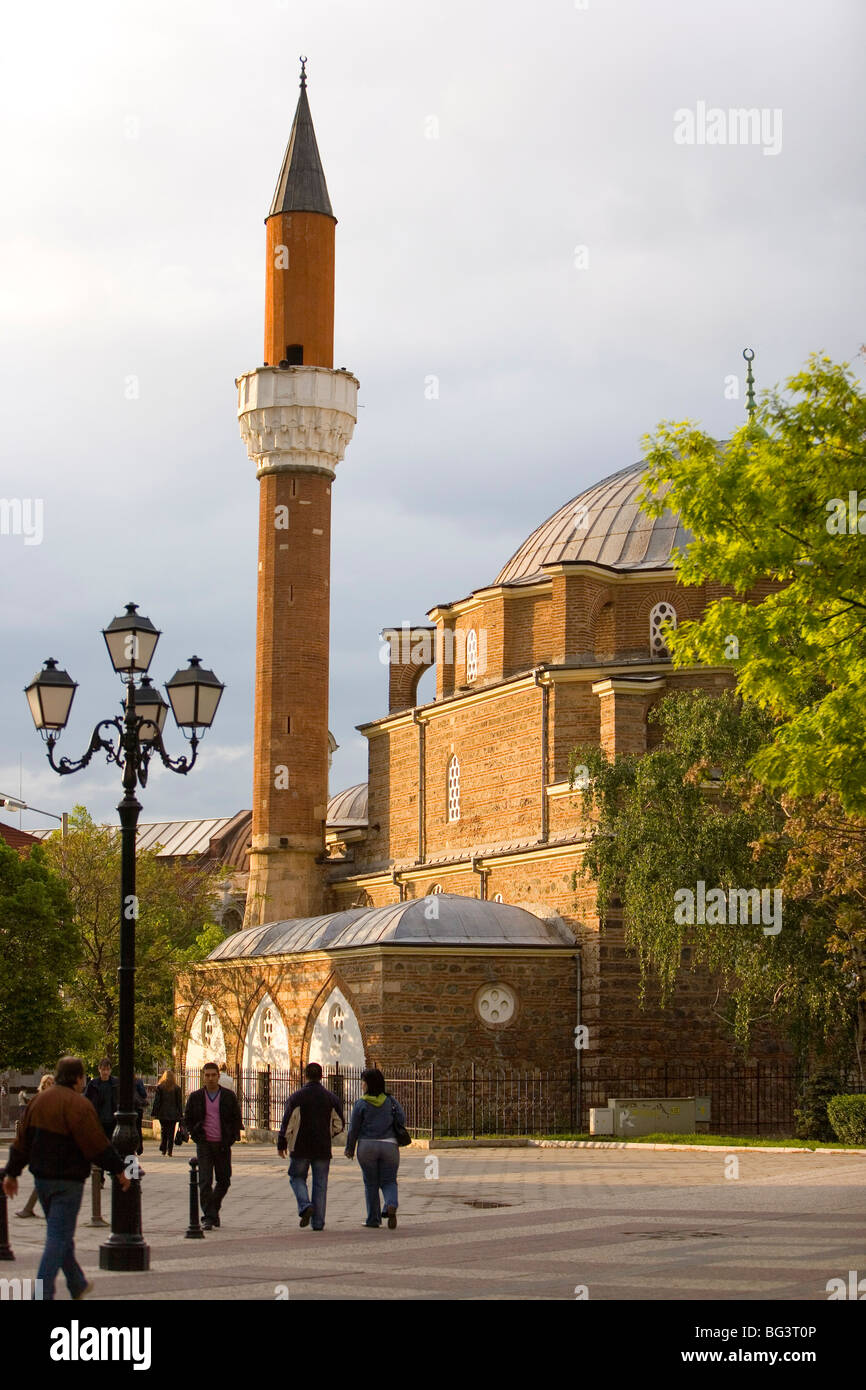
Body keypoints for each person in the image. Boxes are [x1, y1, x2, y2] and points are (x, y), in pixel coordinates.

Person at [2, 1056, 130, 1300]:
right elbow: (97, 1144)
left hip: (42, 1179)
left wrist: (12, 1173)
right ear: (79, 1078)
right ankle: (42, 1293)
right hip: (69, 1181)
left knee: (58, 1232)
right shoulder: (79, 1105)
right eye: (83, 1078)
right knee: (58, 1237)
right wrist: (118, 1169)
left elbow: (22, 1142)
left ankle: (77, 1282)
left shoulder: (38, 1101)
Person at [277, 1062, 344, 1232]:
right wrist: (329, 1134)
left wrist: (282, 1142)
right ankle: (318, 1222)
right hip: (322, 1146)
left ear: (305, 1075)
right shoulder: (331, 1098)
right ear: (321, 1076)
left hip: (300, 1146)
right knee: (320, 1183)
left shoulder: (296, 1098)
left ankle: (305, 1204)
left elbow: (287, 1122)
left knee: (296, 1177)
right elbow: (340, 1124)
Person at [345, 1068, 406, 1230]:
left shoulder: (361, 1103)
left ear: (368, 1084)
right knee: (389, 1180)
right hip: (389, 1146)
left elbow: (353, 1129)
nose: (362, 1085)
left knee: (370, 1183)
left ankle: (373, 1218)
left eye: (363, 1082)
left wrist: (349, 1149)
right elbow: (402, 1118)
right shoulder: (391, 1101)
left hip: (367, 1146)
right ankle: (391, 1204)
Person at [184, 1061, 242, 1229]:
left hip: (223, 1144)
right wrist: (196, 1134)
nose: (210, 1078)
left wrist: (231, 1136)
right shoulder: (195, 1097)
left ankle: (212, 1209)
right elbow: (188, 1118)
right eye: (207, 1075)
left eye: (213, 1075)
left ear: (218, 1076)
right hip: (204, 1144)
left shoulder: (228, 1096)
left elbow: (235, 1118)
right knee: (205, 1181)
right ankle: (209, 1217)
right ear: (203, 1076)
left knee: (224, 1180)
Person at [16, 1074, 55, 1218]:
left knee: (45, 1178)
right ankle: (31, 1208)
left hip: (52, 1145)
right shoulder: (39, 1101)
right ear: (43, 1085)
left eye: (52, 1083)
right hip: (42, 1144)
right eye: (47, 1083)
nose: (49, 1085)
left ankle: (30, 1208)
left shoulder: (55, 1100)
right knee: (43, 1178)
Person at [84, 1059, 119, 1140]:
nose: (105, 1072)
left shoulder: (116, 1083)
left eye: (107, 1070)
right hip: (98, 1120)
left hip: (112, 1119)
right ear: (99, 1069)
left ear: (110, 1070)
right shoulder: (93, 1084)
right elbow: (86, 1099)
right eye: (103, 1069)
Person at [151, 1070, 183, 1155]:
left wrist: (154, 1112)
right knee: (171, 1132)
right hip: (173, 1114)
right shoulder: (177, 1088)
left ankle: (163, 1149)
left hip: (162, 1113)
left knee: (163, 1130)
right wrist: (181, 1114)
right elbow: (179, 1103)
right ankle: (170, 1150)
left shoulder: (160, 1087)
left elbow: (157, 1101)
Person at [133, 1076, 147, 1155]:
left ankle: (132, 1147)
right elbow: (144, 1094)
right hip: (137, 1108)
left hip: (126, 1108)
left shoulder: (121, 1081)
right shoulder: (138, 1081)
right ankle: (139, 1147)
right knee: (138, 1128)